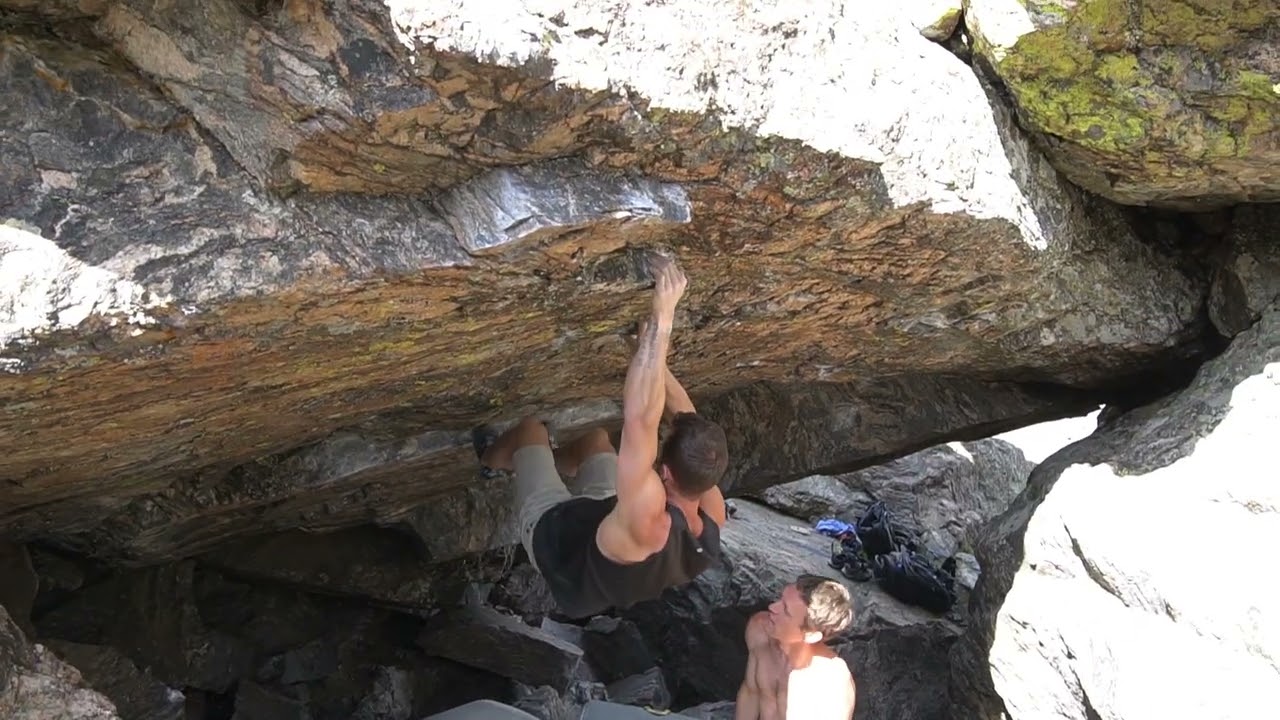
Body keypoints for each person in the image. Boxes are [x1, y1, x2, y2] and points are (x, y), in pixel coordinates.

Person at [475, 254, 729, 619]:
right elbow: (685, 417)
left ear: (667, 473)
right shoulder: (711, 515)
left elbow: (642, 418)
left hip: (558, 547)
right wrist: (647, 352)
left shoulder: (647, 510)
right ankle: (546, 459)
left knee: (530, 430)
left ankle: (491, 460)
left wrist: (664, 318)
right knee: (595, 440)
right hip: (602, 530)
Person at [735, 575, 857, 720]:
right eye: (780, 599)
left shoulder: (831, 685)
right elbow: (751, 692)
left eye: (785, 610)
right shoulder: (760, 629)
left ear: (810, 635)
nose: (772, 607)